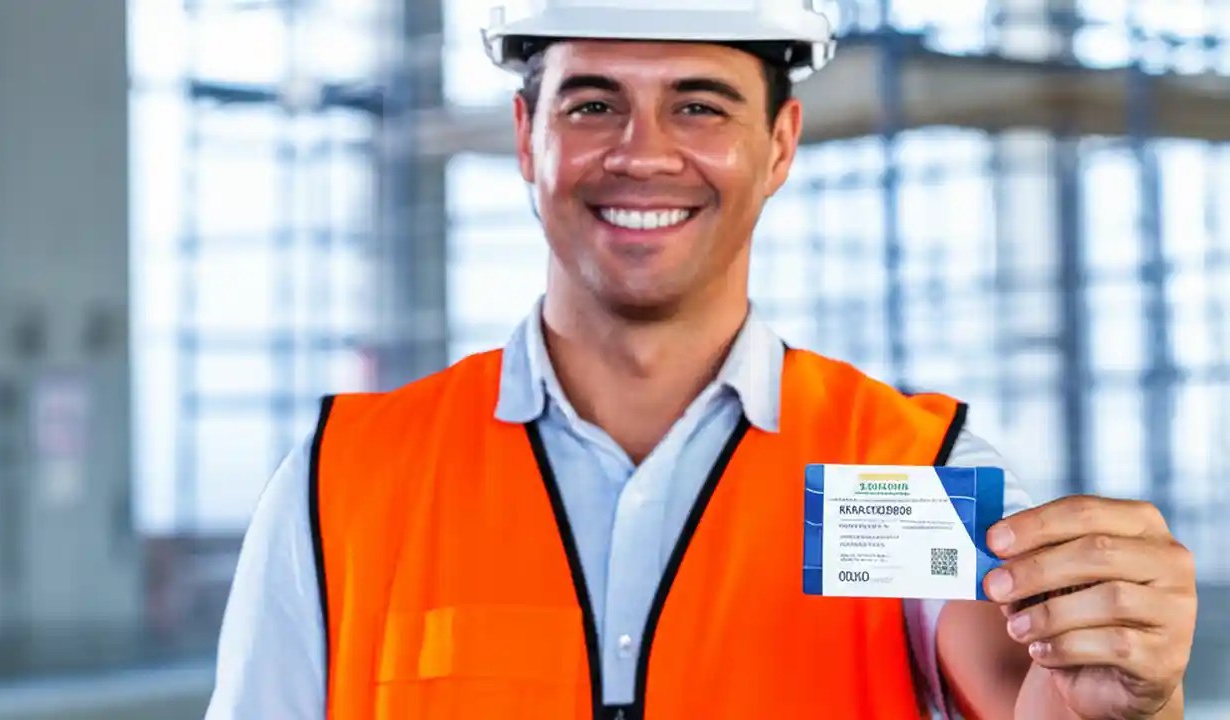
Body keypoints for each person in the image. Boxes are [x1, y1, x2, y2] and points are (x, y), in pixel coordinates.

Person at [205, 1, 1198, 718]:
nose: (642, 153)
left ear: (779, 143)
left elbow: (1024, 693)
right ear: (524, 137)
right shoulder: (347, 483)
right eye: (592, 104)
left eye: (698, 106)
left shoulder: (894, 474)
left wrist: (1110, 699)